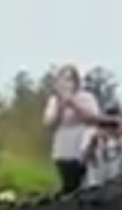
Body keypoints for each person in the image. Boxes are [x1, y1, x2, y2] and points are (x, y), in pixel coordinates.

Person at [42, 64, 103, 192]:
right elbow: (49, 123)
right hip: (63, 147)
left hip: (83, 144)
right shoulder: (54, 100)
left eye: (69, 79)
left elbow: (94, 118)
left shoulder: (86, 97)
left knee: (84, 182)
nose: (66, 83)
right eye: (63, 79)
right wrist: (60, 106)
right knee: (69, 183)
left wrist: (73, 104)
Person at [81, 102, 122, 187]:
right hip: (95, 184)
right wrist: (93, 142)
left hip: (117, 184)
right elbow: (84, 160)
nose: (110, 123)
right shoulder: (91, 132)